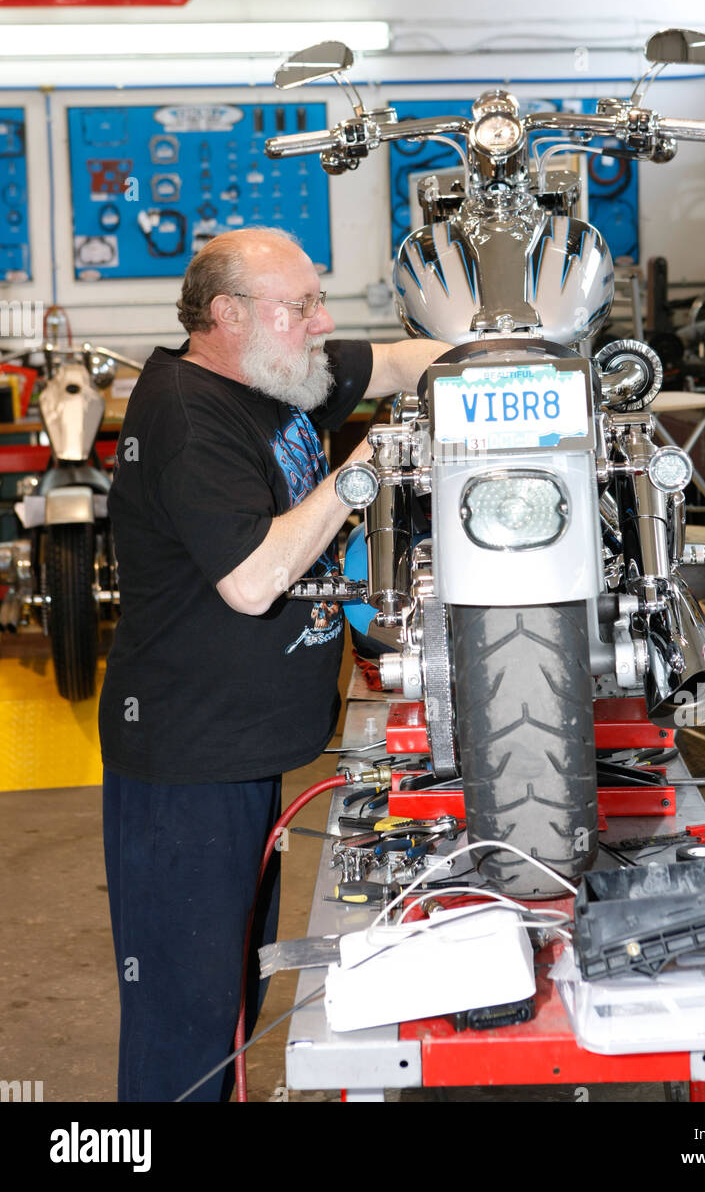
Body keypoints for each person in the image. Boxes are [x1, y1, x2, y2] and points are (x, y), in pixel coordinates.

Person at [99, 226, 445, 1102]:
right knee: (187, 1019)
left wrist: (510, 355)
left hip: (246, 758)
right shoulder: (187, 414)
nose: (323, 321)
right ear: (228, 315)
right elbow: (253, 581)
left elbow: (406, 361)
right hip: (187, 769)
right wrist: (368, 466)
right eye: (303, 307)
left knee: (232, 998)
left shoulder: (279, 373)